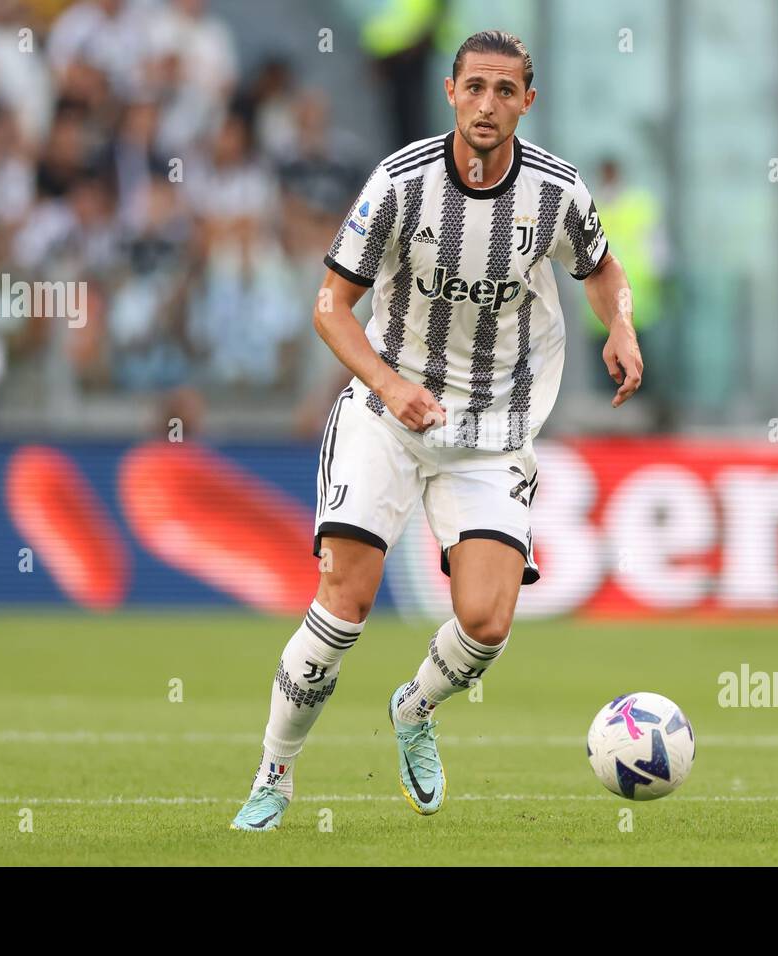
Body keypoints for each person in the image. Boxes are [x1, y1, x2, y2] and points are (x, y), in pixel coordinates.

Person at [232, 30, 644, 831]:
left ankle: (415, 708)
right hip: (386, 416)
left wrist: (620, 327)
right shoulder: (400, 184)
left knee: (487, 621)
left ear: (529, 101)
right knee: (344, 601)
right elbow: (329, 306)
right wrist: (389, 384)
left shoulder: (555, 192)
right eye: (475, 87)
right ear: (450, 92)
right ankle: (275, 772)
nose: (488, 104)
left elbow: (602, 270)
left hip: (492, 429)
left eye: (505, 90)